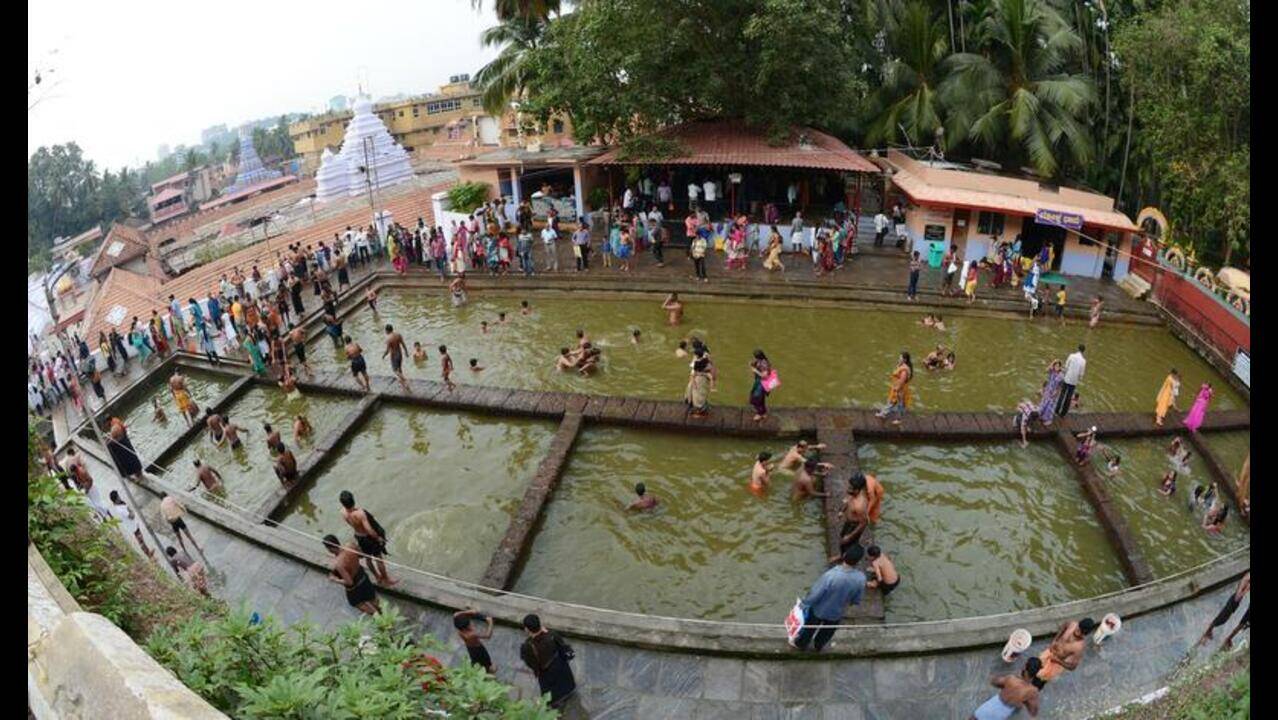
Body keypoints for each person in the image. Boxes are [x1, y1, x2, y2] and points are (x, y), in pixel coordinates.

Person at [792, 545, 866, 652]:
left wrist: (804, 603)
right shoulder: (860, 578)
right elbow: (856, 598)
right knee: (827, 632)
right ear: (858, 561)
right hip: (837, 612)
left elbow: (816, 593)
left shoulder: (830, 575)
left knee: (809, 629)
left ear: (844, 555)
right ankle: (818, 646)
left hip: (819, 609)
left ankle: (801, 644)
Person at [520, 614, 577, 709]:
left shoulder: (527, 647)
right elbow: (563, 646)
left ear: (527, 629)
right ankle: (568, 692)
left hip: (546, 673)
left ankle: (554, 703)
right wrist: (549, 632)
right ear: (539, 624)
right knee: (565, 682)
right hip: (561, 666)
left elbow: (530, 663)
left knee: (550, 692)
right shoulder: (552, 635)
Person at [339, 490, 395, 586]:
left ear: (343, 503)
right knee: (378, 558)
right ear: (353, 500)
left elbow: (350, 523)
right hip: (368, 537)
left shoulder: (343, 512)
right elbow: (369, 530)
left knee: (368, 559)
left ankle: (377, 577)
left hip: (359, 536)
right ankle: (386, 579)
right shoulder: (360, 513)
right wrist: (378, 538)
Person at [323, 534, 380, 616]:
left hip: (355, 587)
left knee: (357, 603)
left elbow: (349, 582)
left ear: (330, 548)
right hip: (363, 576)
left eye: (327, 548)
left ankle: (377, 616)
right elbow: (362, 555)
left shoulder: (339, 563)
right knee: (371, 597)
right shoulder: (350, 545)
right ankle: (380, 611)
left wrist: (334, 579)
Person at [969, 658, 1042, 720]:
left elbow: (994, 682)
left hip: (993, 704)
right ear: (1037, 673)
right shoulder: (1033, 691)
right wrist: (1024, 701)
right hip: (1002, 713)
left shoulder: (1011, 679)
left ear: (1024, 667)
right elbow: (1033, 712)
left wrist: (1006, 686)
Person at [1033, 617, 1098, 687]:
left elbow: (1072, 667)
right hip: (1050, 651)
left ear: (1085, 635)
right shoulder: (1071, 624)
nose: (1078, 632)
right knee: (1034, 667)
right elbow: (1063, 628)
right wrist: (1055, 640)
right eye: (1078, 629)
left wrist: (1057, 660)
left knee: (1040, 680)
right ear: (1078, 624)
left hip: (1056, 663)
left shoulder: (1079, 648)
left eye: (1081, 633)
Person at [108, 491, 153, 558]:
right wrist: (131, 511)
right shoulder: (120, 509)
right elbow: (131, 516)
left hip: (133, 524)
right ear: (116, 499)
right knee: (141, 541)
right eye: (118, 496)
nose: (119, 497)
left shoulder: (120, 504)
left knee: (141, 540)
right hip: (133, 526)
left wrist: (130, 510)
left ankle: (148, 552)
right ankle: (149, 555)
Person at [453, 609, 496, 674]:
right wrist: (490, 622)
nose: (471, 623)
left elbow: (456, 614)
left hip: (470, 648)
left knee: (474, 659)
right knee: (485, 660)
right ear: (465, 628)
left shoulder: (458, 624)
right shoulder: (471, 634)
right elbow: (488, 636)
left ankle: (476, 667)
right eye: (469, 624)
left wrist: (467, 612)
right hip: (478, 649)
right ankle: (488, 669)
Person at [876, 351, 914, 424]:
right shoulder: (901, 365)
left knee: (900, 404)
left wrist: (897, 389)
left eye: (900, 357)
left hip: (900, 389)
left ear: (905, 359)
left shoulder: (904, 370)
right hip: (896, 387)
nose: (899, 359)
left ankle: (898, 419)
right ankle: (883, 413)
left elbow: (902, 380)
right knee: (891, 402)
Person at [1056, 345, 1085, 418]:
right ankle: (1062, 414)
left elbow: (1066, 367)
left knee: (1062, 395)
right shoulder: (1083, 361)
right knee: (1068, 398)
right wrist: (1078, 378)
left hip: (1067, 379)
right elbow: (1081, 374)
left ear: (1077, 349)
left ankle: (1056, 410)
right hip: (1073, 382)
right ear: (1083, 351)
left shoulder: (1071, 356)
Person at [382, 324, 411, 393]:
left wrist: (383, 355)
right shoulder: (398, 335)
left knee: (395, 370)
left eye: (385, 330)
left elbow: (387, 350)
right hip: (400, 353)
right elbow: (403, 344)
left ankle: (405, 380)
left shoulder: (389, 339)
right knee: (400, 369)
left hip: (394, 355)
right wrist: (406, 352)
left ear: (387, 330)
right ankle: (404, 385)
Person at [684, 349, 712, 417]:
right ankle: (701, 408)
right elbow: (709, 368)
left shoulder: (696, 363)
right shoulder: (705, 360)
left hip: (697, 379)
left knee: (696, 395)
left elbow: (693, 374)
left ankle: (698, 410)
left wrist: (694, 382)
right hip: (702, 379)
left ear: (696, 355)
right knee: (701, 394)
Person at [749, 349, 773, 422]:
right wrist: (752, 365)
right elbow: (756, 365)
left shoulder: (765, 364)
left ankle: (760, 414)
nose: (754, 358)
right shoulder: (760, 361)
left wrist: (755, 370)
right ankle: (763, 413)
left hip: (762, 383)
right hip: (758, 381)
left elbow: (765, 376)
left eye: (755, 357)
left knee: (755, 398)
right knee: (761, 398)